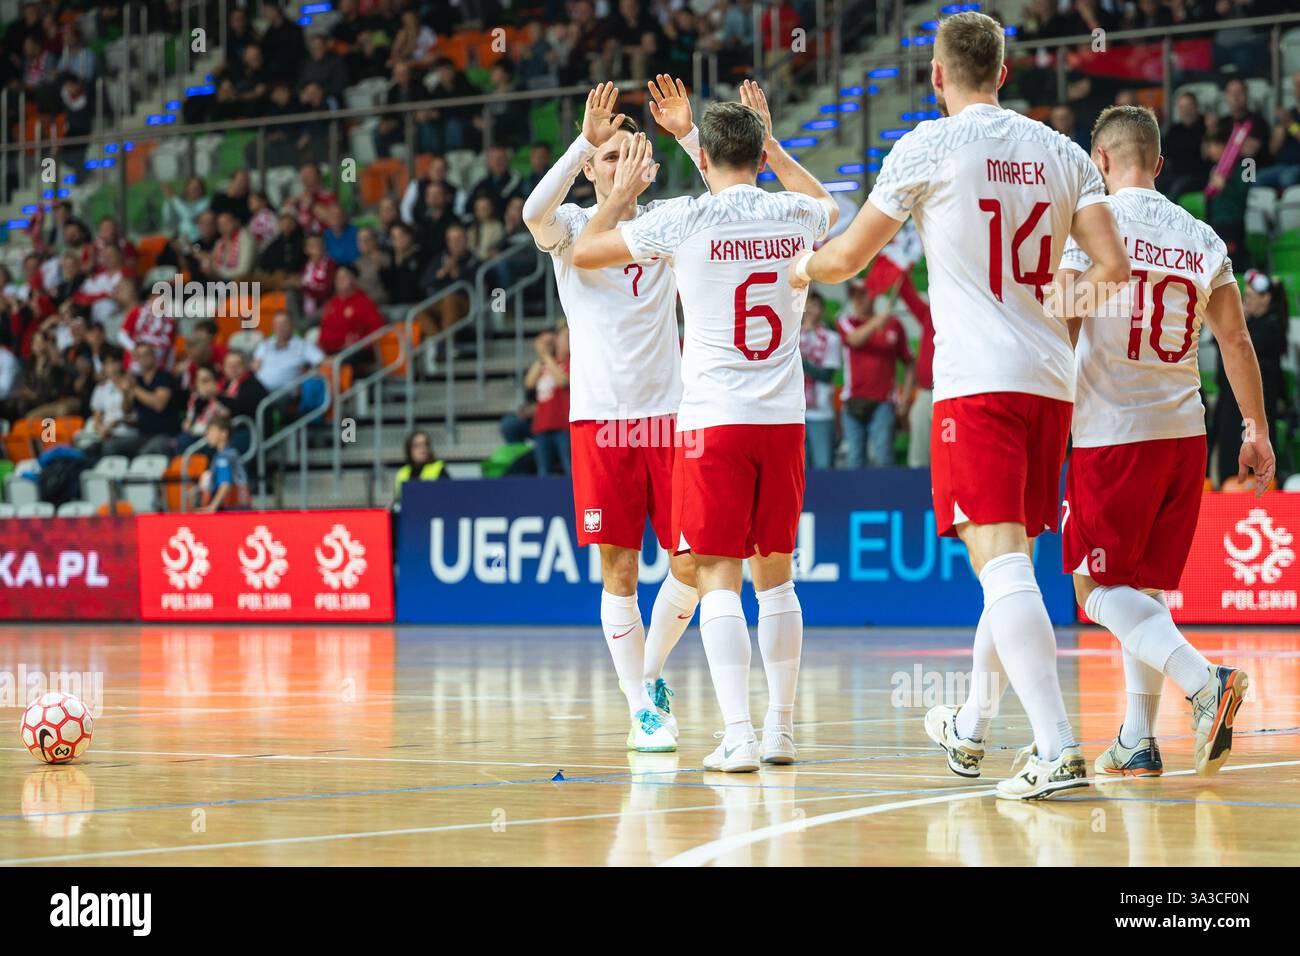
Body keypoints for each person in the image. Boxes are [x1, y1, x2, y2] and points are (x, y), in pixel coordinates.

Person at [791, 12, 1130, 799]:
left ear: (937, 77)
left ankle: (1055, 748)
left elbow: (846, 259)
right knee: (1011, 565)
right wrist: (1056, 302)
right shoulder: (1063, 150)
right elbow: (1111, 268)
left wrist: (793, 268)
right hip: (1050, 383)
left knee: (1001, 564)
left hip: (977, 383)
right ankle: (974, 727)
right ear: (1004, 73)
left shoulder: (927, 146)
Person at [573, 80, 838, 773]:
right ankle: (781, 731)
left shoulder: (686, 220)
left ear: (705, 157)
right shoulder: (795, 214)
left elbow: (587, 252)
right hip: (783, 420)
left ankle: (739, 737)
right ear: (757, 150)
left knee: (718, 575)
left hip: (712, 424)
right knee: (776, 578)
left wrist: (617, 191)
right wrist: (772, 143)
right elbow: (830, 205)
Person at [1058, 105, 1272, 777]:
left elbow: (1064, 324)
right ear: (1156, 162)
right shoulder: (1201, 236)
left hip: (1112, 433)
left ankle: (1205, 681)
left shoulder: (1089, 226)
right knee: (1143, 588)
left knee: (1092, 587)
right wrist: (1256, 429)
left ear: (1100, 161)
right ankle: (1135, 739)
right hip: (1184, 432)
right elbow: (1235, 339)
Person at [522, 79, 705, 753]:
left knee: (692, 562)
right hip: (600, 420)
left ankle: (648, 676)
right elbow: (531, 211)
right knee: (620, 570)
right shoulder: (571, 228)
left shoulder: (667, 221)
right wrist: (582, 144)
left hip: (671, 415)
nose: (622, 166)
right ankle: (641, 709)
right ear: (595, 168)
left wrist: (685, 133)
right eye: (611, 158)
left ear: (649, 169)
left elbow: (730, 196)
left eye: (633, 156)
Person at [1207, 270, 1288, 486]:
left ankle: (1251, 504)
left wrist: (1235, 318)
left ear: (1266, 299)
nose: (1247, 303)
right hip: (1230, 396)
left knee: (1243, 456)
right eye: (1245, 298)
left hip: (1251, 402)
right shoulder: (1252, 323)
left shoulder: (1270, 325)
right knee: (1224, 449)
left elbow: (1238, 345)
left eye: (1251, 299)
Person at [837, 281, 914, 468]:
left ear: (872, 296)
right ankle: (857, 498)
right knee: (855, 459)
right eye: (854, 296)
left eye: (862, 294)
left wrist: (905, 398)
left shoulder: (894, 325)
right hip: (853, 401)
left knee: (884, 457)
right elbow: (854, 340)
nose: (858, 300)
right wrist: (877, 322)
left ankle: (888, 498)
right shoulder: (846, 321)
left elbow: (910, 362)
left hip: (884, 402)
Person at [105, 341, 183, 457]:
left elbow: (159, 404)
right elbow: (127, 410)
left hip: (166, 435)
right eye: (139, 356)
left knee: (145, 452)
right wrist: (126, 392)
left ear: (154, 357)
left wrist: (134, 388)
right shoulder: (137, 380)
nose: (143, 359)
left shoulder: (164, 377)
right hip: (143, 435)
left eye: (146, 354)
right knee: (111, 447)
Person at [799, 291, 840, 470]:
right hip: (795, 412)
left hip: (820, 411)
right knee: (799, 467)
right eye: (809, 304)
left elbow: (826, 375)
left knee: (823, 465)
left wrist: (800, 361)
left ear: (822, 310)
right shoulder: (791, 337)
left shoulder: (831, 338)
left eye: (816, 305)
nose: (812, 309)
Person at [523, 327, 571, 476]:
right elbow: (529, 383)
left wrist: (547, 356)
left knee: (570, 468)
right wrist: (543, 357)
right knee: (544, 471)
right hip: (542, 425)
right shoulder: (544, 364)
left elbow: (562, 381)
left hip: (563, 426)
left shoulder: (569, 362)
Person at [197, 415, 250, 512]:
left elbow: (225, 484)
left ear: (224, 434)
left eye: (211, 431)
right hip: (238, 508)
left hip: (233, 510)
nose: (207, 434)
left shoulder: (224, 456)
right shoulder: (228, 454)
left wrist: (212, 507)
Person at [393, 430, 450, 504]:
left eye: (425, 444)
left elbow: (447, 496)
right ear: (409, 449)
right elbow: (397, 501)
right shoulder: (401, 473)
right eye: (417, 445)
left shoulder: (439, 468)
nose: (422, 449)